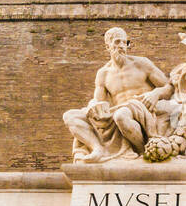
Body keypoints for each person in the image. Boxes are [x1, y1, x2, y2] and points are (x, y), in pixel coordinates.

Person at [63, 27, 172, 161]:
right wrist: (93, 106)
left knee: (121, 115)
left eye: (124, 43)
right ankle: (98, 149)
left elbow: (169, 87)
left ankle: (142, 151)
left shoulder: (141, 64)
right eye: (117, 42)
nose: (121, 46)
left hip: (141, 110)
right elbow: (99, 103)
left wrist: (156, 93)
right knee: (70, 116)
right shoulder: (103, 73)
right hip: (115, 114)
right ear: (108, 46)